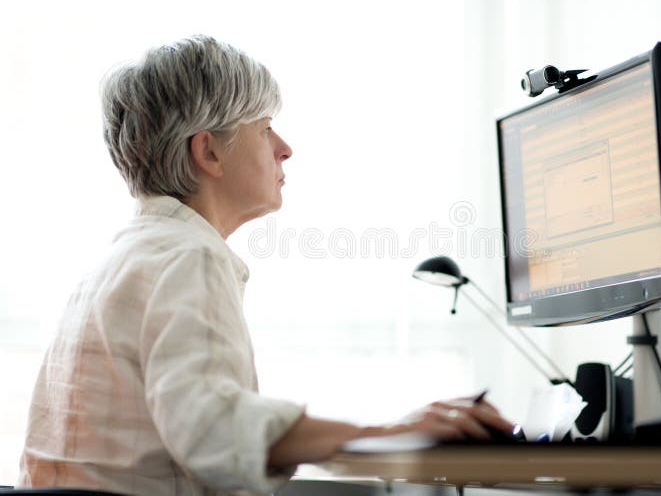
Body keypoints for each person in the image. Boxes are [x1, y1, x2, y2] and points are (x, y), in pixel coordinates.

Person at [17, 35, 515, 495]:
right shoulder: (188, 257)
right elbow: (213, 433)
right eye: (265, 129)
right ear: (209, 151)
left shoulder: (121, 260)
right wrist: (388, 434)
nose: (285, 149)